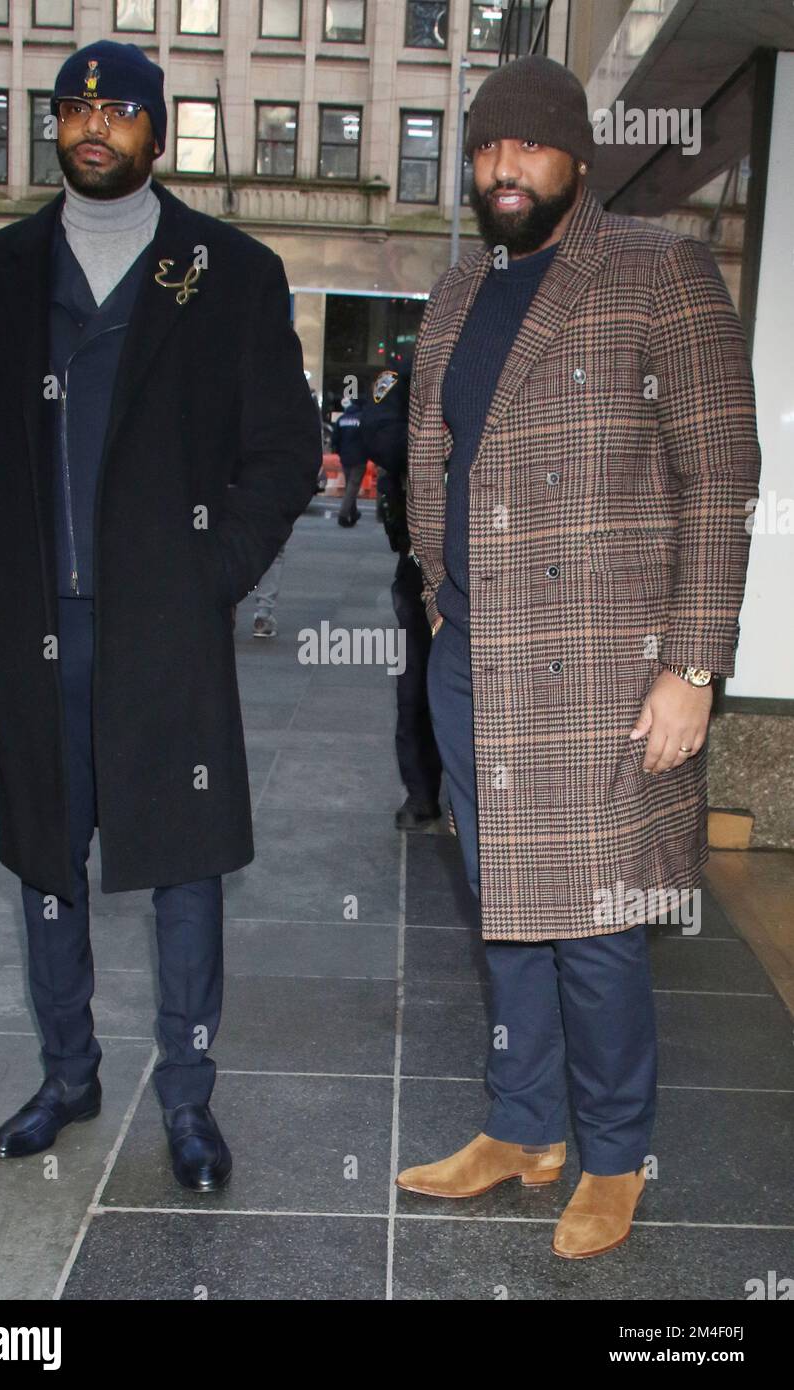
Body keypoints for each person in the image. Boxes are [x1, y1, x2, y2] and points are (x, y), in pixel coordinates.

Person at [0, 41, 321, 1193]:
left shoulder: (228, 271)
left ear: (158, 130)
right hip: (34, 632)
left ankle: (189, 1101)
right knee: (47, 858)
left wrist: (212, 574)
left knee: (183, 866)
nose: (92, 126)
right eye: (74, 109)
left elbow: (284, 448)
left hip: (164, 633)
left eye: (117, 110)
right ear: (56, 129)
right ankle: (67, 1073)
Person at [400, 55, 760, 1259]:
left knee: (595, 925)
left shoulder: (658, 270)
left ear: (576, 159)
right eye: (485, 147)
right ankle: (521, 1127)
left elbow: (719, 477)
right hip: (474, 660)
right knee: (504, 910)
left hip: (608, 669)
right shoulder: (456, 293)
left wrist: (693, 666)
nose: (502, 168)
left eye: (527, 146)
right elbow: (429, 459)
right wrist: (438, 597)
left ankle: (612, 1154)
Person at [358, 362, 442, 829]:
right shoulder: (405, 379)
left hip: (496, 561)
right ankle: (422, 793)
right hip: (421, 563)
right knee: (415, 689)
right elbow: (386, 441)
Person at [331, 395, 368, 526]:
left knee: (350, 486)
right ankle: (343, 514)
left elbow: (335, 439)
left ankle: (353, 512)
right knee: (353, 486)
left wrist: (338, 452)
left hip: (345, 457)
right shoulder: (363, 419)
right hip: (359, 457)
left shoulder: (342, 419)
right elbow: (367, 438)